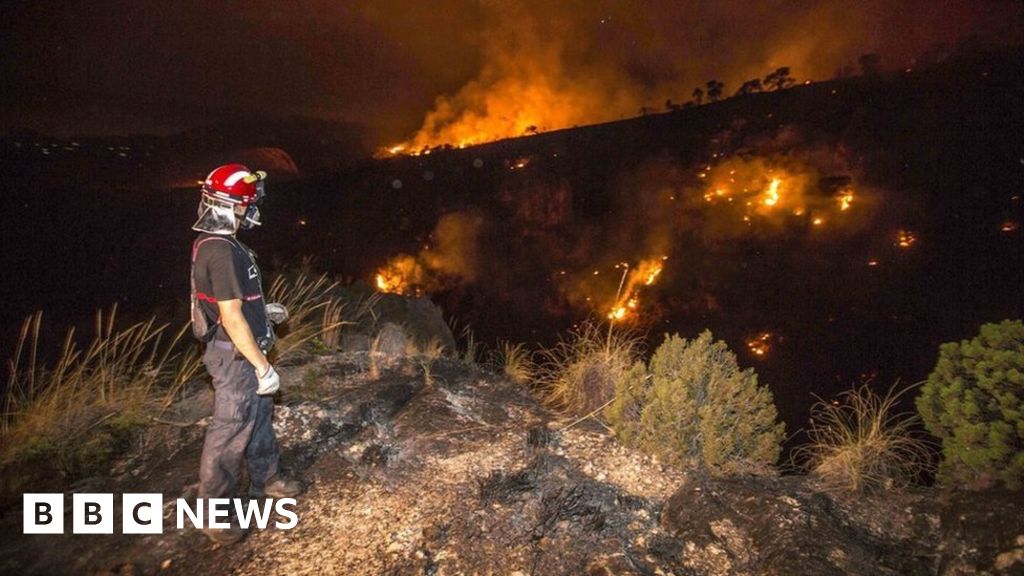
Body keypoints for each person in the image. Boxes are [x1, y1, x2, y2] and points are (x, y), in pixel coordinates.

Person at [190, 164, 301, 544]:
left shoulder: (224, 243)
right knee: (230, 429)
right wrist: (262, 366)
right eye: (249, 201)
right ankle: (214, 512)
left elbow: (230, 303)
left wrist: (263, 315)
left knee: (259, 420)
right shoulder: (221, 250)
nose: (253, 207)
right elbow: (230, 316)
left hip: (240, 349)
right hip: (235, 359)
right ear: (233, 205)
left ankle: (267, 479)